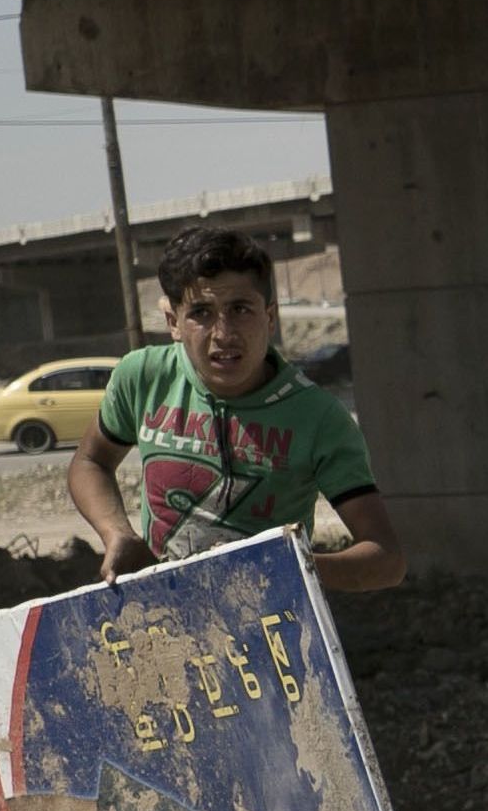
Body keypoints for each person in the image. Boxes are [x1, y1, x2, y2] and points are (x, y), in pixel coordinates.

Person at [69, 226, 402, 592]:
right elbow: (91, 462)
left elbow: (386, 561)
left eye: (240, 309)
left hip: (272, 632)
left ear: (270, 317)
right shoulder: (145, 377)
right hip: (165, 624)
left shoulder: (318, 418)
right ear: (173, 324)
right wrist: (117, 533)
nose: (224, 333)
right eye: (201, 313)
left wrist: (275, 570)